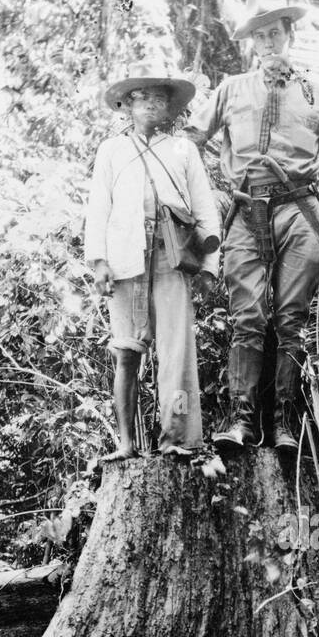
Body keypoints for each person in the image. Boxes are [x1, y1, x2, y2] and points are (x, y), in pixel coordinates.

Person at [187, 0, 319, 452]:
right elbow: (190, 143)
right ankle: (241, 422)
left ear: (290, 33)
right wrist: (207, 198)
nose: (268, 42)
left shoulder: (316, 93)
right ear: (252, 42)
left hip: (301, 212)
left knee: (290, 320)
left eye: (275, 32)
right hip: (246, 212)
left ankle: (285, 425)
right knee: (248, 317)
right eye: (260, 35)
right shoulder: (231, 90)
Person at [85, 65, 221, 461]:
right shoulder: (112, 150)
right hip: (126, 260)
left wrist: (209, 267)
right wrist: (99, 261)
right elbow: (98, 209)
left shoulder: (183, 150)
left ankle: (177, 438)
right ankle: (126, 443)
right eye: (143, 98)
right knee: (126, 352)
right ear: (127, 105)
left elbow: (205, 210)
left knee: (176, 354)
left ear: (170, 108)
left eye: (160, 99)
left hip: (172, 258)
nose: (152, 106)